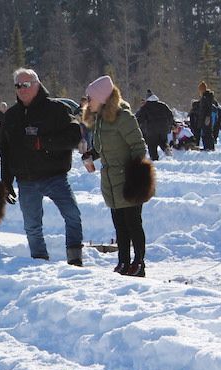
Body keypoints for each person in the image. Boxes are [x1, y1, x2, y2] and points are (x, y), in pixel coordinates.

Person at [0, 68, 84, 265]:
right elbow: (5, 150)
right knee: (32, 226)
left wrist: (43, 143)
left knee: (73, 215)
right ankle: (39, 262)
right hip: (26, 180)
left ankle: (75, 258)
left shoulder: (57, 109)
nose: (21, 89)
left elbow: (74, 137)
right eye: (17, 85)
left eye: (26, 85)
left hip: (55, 176)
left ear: (37, 85)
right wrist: (6, 181)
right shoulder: (11, 115)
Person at [83, 75, 150, 277]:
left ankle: (139, 263)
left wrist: (134, 176)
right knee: (120, 225)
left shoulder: (124, 118)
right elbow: (102, 148)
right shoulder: (100, 120)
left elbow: (139, 147)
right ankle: (123, 261)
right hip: (111, 181)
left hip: (129, 180)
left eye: (90, 98)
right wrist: (91, 155)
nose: (88, 102)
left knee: (133, 224)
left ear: (102, 98)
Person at [134, 91, 174, 161]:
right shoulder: (163, 105)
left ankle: (155, 159)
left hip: (151, 130)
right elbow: (170, 116)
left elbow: (140, 119)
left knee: (152, 145)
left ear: (147, 98)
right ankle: (166, 149)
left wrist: (136, 126)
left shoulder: (145, 107)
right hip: (164, 129)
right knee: (163, 142)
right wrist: (170, 126)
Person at [196, 87, 221, 151]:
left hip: (206, 117)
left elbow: (208, 107)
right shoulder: (206, 97)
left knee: (207, 133)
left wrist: (207, 116)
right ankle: (208, 146)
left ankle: (209, 147)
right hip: (204, 117)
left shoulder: (206, 97)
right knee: (206, 133)